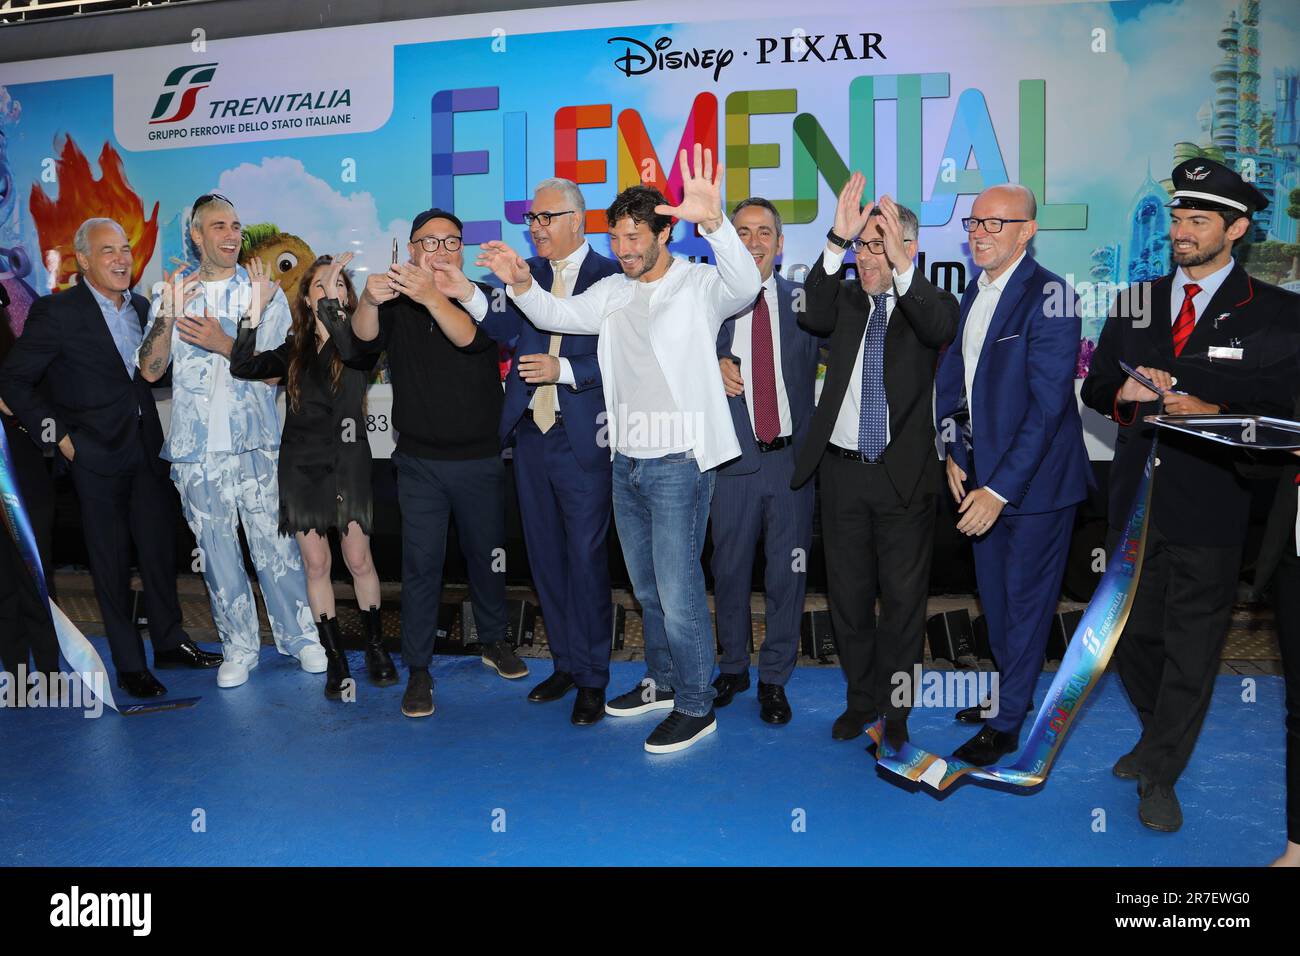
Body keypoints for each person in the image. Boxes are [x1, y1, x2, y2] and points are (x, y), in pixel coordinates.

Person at [478, 145, 762, 754]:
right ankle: (660, 681)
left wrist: (714, 223)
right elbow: (555, 311)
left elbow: (746, 283)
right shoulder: (613, 292)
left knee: (680, 588)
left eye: (637, 237)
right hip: (624, 461)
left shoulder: (700, 283)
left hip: (680, 463)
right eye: (618, 239)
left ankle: (695, 702)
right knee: (650, 589)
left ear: (666, 232)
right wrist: (523, 282)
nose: (626, 250)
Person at [1081, 159, 1300, 832]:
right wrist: (1120, 395)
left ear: (1236, 229)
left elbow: (1283, 415)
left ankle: (1160, 773)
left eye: (1198, 221)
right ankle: (1158, 738)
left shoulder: (1276, 313)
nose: (1181, 231)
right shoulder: (1138, 300)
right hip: (1133, 509)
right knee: (1133, 641)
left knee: (1193, 649)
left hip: (1214, 508)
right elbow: (1097, 393)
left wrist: (1207, 408)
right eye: (1177, 218)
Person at [0, 217, 221, 696]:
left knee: (160, 553)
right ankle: (128, 663)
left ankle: (169, 641)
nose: (123, 259)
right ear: (83, 260)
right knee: (111, 563)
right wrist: (57, 435)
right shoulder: (56, 313)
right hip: (93, 456)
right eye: (109, 251)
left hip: (146, 450)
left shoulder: (143, 307)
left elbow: (151, 377)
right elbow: (13, 381)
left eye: (126, 249)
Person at [792, 177, 959, 746]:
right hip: (840, 474)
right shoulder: (840, 300)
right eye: (861, 247)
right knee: (849, 600)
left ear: (905, 249)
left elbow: (938, 328)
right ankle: (859, 700)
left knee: (905, 606)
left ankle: (897, 712)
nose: (865, 258)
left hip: (904, 479)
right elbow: (807, 313)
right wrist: (837, 237)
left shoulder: (929, 302)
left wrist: (900, 264)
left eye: (876, 246)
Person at [137, 193, 325, 690]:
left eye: (236, 225)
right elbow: (151, 368)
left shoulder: (261, 293)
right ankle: (239, 647)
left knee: (276, 550)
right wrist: (166, 315)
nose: (230, 234)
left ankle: (300, 638)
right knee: (216, 552)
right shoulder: (173, 292)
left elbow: (276, 376)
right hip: (196, 452)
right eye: (218, 225)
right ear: (196, 235)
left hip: (257, 446)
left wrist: (230, 341)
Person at [934, 183, 1091, 766]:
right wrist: (954, 451)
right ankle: (1011, 694)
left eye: (994, 224)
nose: (979, 233)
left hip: (1035, 489)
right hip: (979, 478)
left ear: (1027, 231)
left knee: (1025, 605)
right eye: (974, 223)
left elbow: (1049, 407)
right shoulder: (976, 290)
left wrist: (999, 489)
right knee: (996, 602)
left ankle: (1006, 721)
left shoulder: (1050, 295)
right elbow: (955, 384)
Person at [350, 208, 528, 719]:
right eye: (430, 242)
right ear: (411, 249)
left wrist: (433, 293)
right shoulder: (396, 301)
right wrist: (367, 299)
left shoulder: (482, 298)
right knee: (421, 567)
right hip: (420, 461)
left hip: (479, 457)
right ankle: (420, 670)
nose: (442, 250)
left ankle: (493, 640)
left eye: (452, 242)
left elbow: (470, 339)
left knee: (487, 557)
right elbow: (362, 347)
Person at [472, 178, 621, 725]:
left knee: (585, 560)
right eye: (531, 218)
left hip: (584, 436)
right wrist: (456, 288)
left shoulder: (613, 277)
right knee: (546, 559)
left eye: (546, 217)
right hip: (531, 437)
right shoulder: (526, 275)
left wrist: (567, 371)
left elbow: (626, 358)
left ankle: (594, 678)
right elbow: (497, 323)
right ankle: (565, 662)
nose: (535, 227)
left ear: (579, 220)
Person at [229, 252, 394, 699]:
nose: (329, 292)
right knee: (317, 564)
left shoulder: (361, 336)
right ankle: (335, 658)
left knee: (359, 559)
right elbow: (241, 366)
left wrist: (330, 300)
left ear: (349, 294)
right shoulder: (293, 350)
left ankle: (376, 648)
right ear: (304, 298)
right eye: (319, 285)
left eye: (339, 284)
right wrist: (254, 311)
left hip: (350, 460)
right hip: (301, 465)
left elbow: (350, 350)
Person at [710, 196, 820, 726]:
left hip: (791, 462)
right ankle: (732, 666)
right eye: (743, 232)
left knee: (787, 576)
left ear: (780, 244)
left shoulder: (805, 303)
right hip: (731, 460)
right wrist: (715, 363)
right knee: (728, 570)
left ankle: (774, 679)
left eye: (764, 233)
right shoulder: (706, 303)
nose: (753, 242)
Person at [0, 282, 62, 680]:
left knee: (33, 573)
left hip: (24, 481)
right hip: (27, 480)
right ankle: (20, 671)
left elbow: (46, 421)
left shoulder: (21, 364)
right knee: (10, 582)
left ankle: (47, 667)